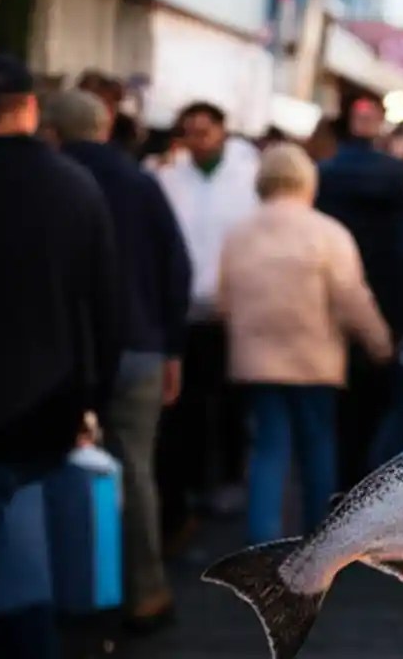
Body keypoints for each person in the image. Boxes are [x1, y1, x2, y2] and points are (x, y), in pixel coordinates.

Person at [0, 54, 121, 658]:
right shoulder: (72, 186)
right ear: (32, 108)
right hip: (43, 405)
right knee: (24, 567)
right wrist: (94, 402)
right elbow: (104, 306)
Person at [51, 89, 192, 633]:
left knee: (55, 469)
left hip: (69, 351)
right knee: (135, 470)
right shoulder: (141, 181)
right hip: (140, 346)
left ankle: (74, 596)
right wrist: (172, 346)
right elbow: (176, 267)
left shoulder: (53, 179)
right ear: (107, 126)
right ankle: (145, 593)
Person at [217, 143, 393, 544]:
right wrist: (379, 342)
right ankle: (321, 539)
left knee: (267, 448)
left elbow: (223, 298)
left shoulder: (238, 232)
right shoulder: (327, 232)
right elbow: (352, 297)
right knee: (317, 447)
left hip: (255, 361)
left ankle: (262, 542)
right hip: (315, 359)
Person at [155, 101, 261, 545]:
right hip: (184, 309)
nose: (198, 139)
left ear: (222, 132)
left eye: (206, 130)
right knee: (190, 401)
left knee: (232, 399)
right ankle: (197, 481)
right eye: (190, 131)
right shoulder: (166, 179)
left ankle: (229, 477)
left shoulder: (246, 178)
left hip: (234, 308)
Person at [315, 96, 403, 488]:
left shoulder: (322, 175)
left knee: (340, 418)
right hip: (391, 308)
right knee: (385, 408)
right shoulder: (399, 176)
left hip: (328, 311)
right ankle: (375, 492)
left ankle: (336, 493)